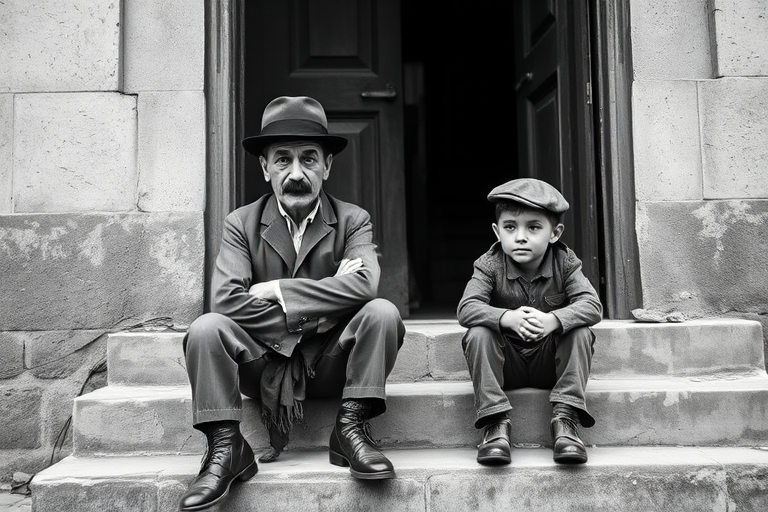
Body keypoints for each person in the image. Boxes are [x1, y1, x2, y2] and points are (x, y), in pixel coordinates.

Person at [179, 96, 405, 511]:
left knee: (382, 313)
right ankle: (226, 448)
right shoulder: (241, 223)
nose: (296, 173)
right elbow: (226, 301)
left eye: (309, 159)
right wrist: (324, 306)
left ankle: (350, 430)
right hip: (263, 363)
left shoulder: (352, 219)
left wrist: (278, 290)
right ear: (265, 168)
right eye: (282, 160)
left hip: (331, 364)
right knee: (206, 327)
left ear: (327, 166)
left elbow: (365, 287)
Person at [456, 178, 602, 466]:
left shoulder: (565, 263)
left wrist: (553, 320)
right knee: (478, 333)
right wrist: (505, 318)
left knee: (580, 331)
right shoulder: (489, 264)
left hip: (549, 364)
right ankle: (495, 424)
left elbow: (592, 305)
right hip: (506, 365)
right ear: (498, 232)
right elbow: (467, 308)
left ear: (554, 233)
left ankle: (566, 421)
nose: (520, 237)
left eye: (533, 227)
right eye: (510, 227)